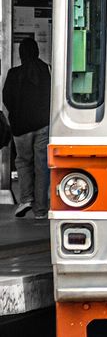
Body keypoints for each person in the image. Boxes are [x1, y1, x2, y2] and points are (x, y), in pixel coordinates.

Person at [3, 38, 50, 218]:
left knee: (23, 162)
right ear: (37, 51)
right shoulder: (46, 70)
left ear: (21, 54)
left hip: (21, 128)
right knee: (41, 166)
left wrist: (15, 116)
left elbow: (7, 99)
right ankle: (40, 210)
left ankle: (26, 199)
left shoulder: (14, 73)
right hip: (42, 126)